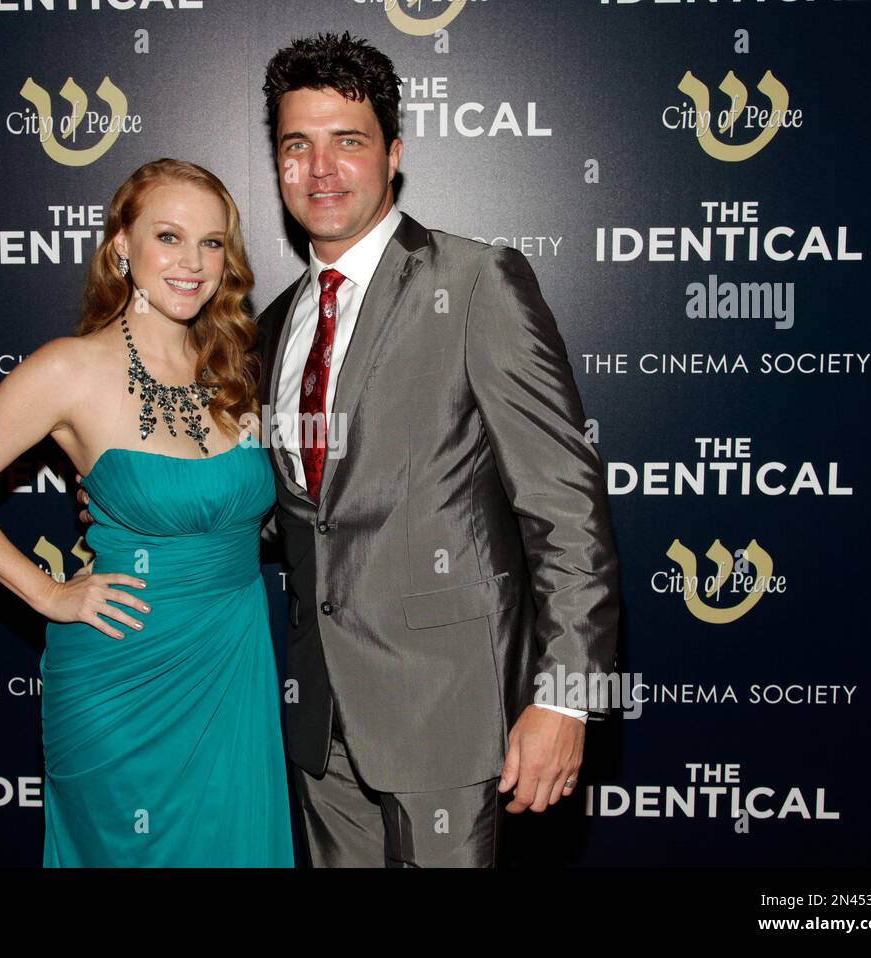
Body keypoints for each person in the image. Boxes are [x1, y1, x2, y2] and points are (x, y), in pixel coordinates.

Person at [250, 31, 621, 867]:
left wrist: (566, 697)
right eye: (296, 146)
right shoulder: (274, 326)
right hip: (319, 720)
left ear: (394, 154)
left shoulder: (478, 280)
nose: (321, 171)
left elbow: (564, 507)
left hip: (452, 715)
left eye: (349, 142)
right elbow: (301, 516)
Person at [0, 158, 294, 867]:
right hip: (122, 677)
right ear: (122, 245)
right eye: (169, 237)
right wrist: (48, 592)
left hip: (231, 660)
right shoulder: (69, 369)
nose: (192, 262)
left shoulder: (236, 365)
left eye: (212, 243)